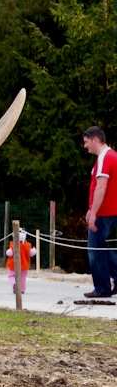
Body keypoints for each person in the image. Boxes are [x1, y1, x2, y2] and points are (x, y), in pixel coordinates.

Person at [82, 126, 117, 298]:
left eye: (86, 142)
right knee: (103, 247)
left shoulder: (105, 158)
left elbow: (101, 187)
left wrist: (94, 213)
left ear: (95, 139)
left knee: (95, 250)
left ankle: (102, 288)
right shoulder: (112, 156)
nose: (85, 146)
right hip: (109, 210)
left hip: (104, 212)